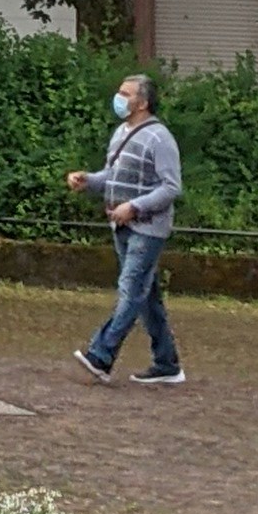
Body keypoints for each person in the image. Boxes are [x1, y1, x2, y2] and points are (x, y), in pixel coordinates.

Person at [69, 71, 185, 384]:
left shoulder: (160, 139)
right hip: (121, 226)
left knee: (131, 289)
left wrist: (134, 207)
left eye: (126, 93)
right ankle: (167, 363)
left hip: (148, 228)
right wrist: (88, 181)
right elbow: (113, 174)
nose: (119, 98)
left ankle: (101, 355)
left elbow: (171, 187)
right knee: (147, 296)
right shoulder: (121, 132)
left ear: (143, 102)